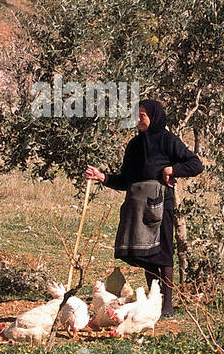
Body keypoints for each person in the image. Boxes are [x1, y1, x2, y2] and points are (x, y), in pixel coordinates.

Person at [85, 99, 203, 318]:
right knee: (145, 254)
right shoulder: (134, 145)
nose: (138, 119)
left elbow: (196, 165)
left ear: (154, 117)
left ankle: (167, 305)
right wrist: (102, 177)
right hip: (136, 206)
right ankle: (154, 299)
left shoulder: (169, 141)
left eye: (143, 115)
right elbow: (126, 180)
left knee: (163, 254)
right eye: (136, 115)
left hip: (160, 205)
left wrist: (172, 169)